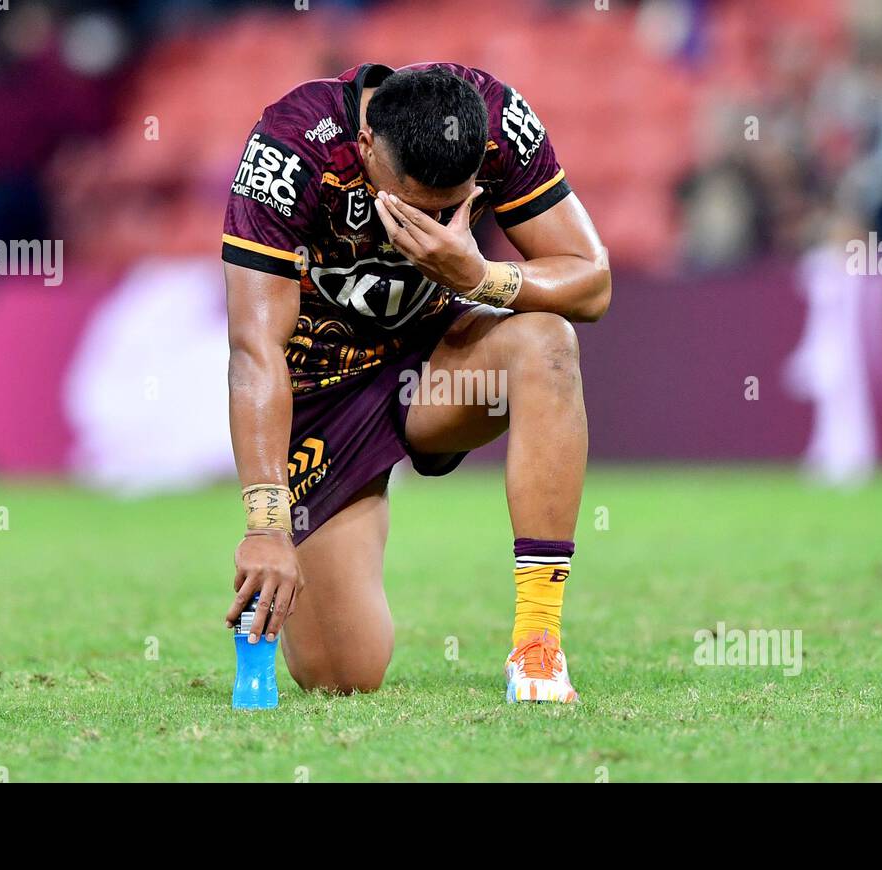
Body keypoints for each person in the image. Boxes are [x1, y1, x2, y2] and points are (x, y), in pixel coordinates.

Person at [221, 63, 609, 703]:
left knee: (548, 343)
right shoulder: (290, 148)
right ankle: (321, 522)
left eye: (453, 209)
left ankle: (537, 645)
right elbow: (254, 349)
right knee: (343, 675)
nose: (434, 228)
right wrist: (265, 523)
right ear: (367, 145)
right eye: (415, 207)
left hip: (438, 362)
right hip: (322, 390)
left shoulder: (497, 121)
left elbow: (592, 283)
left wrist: (482, 277)